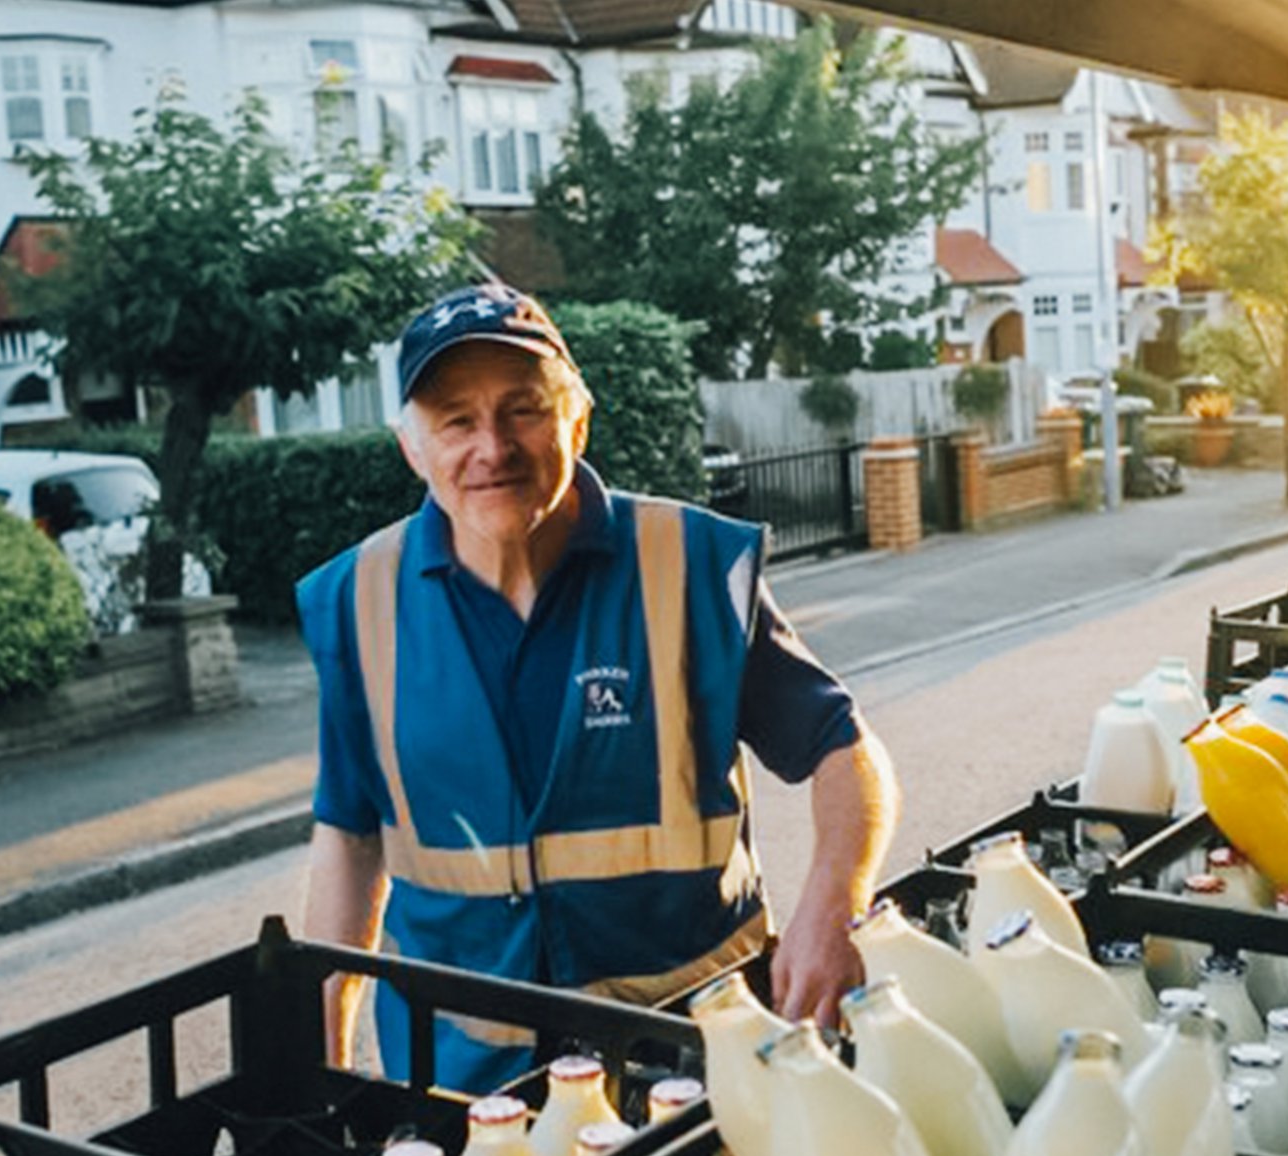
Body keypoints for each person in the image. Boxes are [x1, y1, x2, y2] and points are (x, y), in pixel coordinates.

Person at [296, 282, 898, 1093]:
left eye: (523, 409)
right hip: (461, 1085)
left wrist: (836, 905)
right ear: (414, 449)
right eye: (456, 421)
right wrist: (322, 1073)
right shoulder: (356, 600)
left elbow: (844, 751)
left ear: (576, 420)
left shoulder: (691, 566)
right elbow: (349, 836)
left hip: (689, 1060)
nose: (492, 448)